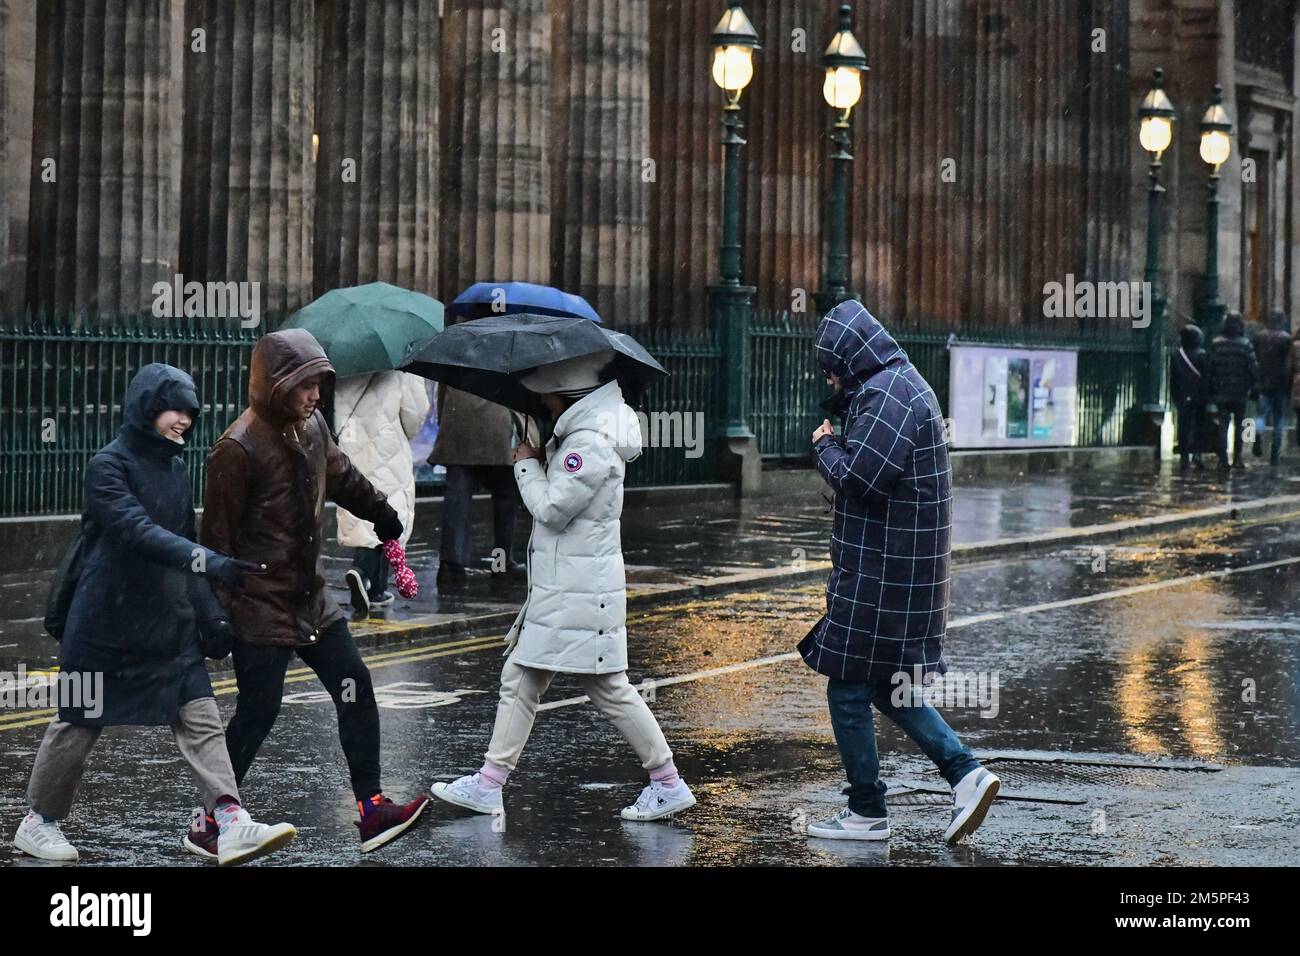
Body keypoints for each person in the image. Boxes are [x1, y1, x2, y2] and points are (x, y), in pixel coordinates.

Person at [12, 364, 297, 866]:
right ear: (146, 407)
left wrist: (210, 615)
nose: (184, 420)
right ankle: (38, 823)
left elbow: (183, 541)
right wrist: (209, 561)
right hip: (105, 622)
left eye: (190, 411)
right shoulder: (107, 466)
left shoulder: (177, 468)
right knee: (77, 722)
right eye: (174, 409)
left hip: (166, 621)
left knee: (201, 715)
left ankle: (229, 820)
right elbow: (136, 531)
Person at [429, 351, 697, 822]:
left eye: (548, 397)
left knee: (603, 687)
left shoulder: (589, 443)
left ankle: (667, 782)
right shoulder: (582, 436)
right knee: (528, 678)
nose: (546, 405)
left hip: (578, 589)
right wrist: (543, 450)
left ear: (568, 394)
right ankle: (491, 783)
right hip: (570, 587)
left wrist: (527, 465)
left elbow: (552, 509)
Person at [200, 329, 429, 853]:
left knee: (354, 685)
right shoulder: (236, 449)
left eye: (319, 384)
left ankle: (372, 810)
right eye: (306, 385)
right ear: (277, 384)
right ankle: (211, 820)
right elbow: (215, 544)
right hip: (261, 605)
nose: (316, 395)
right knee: (259, 712)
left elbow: (343, 475)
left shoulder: (313, 426)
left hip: (311, 599)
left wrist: (381, 512)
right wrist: (217, 613)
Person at [802, 300, 999, 844]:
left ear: (849, 356)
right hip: (898, 570)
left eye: (830, 368)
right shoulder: (892, 386)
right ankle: (965, 774)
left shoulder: (888, 394)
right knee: (890, 683)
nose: (830, 379)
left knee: (845, 685)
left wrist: (823, 446)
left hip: (883, 574)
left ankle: (867, 811)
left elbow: (862, 478)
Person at [429, 305, 537, 591]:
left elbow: (442, 391)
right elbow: (520, 389)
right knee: (504, 501)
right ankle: (501, 565)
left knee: (457, 501)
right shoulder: (509, 342)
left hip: (458, 430)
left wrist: (447, 422)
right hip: (496, 430)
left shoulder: (455, 340)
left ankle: (451, 566)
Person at [334, 370, 431, 614]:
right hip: (388, 447)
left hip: (352, 443)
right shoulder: (401, 368)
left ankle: (375, 588)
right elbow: (415, 415)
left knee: (361, 507)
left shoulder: (346, 365)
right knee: (387, 512)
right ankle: (362, 572)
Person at [1208, 312, 1260, 470]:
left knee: (1223, 425)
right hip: (1240, 392)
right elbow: (1253, 368)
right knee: (1240, 425)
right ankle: (1237, 457)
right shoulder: (1245, 344)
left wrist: (1212, 388)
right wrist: (1254, 385)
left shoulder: (1216, 344)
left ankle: (1223, 459)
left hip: (1221, 391)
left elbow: (1211, 368)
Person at [1253, 310, 1292, 465]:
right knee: (1278, 418)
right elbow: (1288, 364)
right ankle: (1275, 452)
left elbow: (1253, 357)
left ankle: (1254, 435)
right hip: (1280, 384)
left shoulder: (1258, 337)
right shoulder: (1285, 339)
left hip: (1262, 381)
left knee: (1258, 414)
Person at [1170, 324, 1209, 470]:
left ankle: (1184, 456)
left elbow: (1173, 379)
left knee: (1183, 426)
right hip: (1200, 396)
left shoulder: (1176, 355)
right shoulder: (1202, 355)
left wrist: (1175, 395)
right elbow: (1207, 377)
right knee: (1199, 426)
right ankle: (1197, 453)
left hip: (1182, 396)